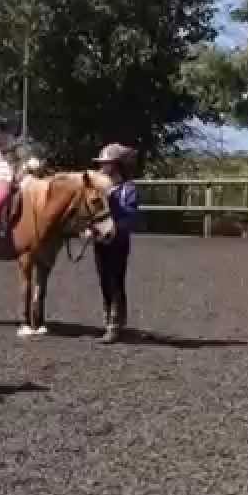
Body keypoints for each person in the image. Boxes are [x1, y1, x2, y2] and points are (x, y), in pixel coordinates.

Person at [91, 143, 140, 344]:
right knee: (104, 280)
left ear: (116, 165)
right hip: (100, 240)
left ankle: (114, 323)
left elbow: (130, 215)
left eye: (106, 164)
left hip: (118, 242)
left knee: (115, 281)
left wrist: (113, 228)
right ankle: (111, 320)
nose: (102, 167)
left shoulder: (128, 189)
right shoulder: (100, 189)